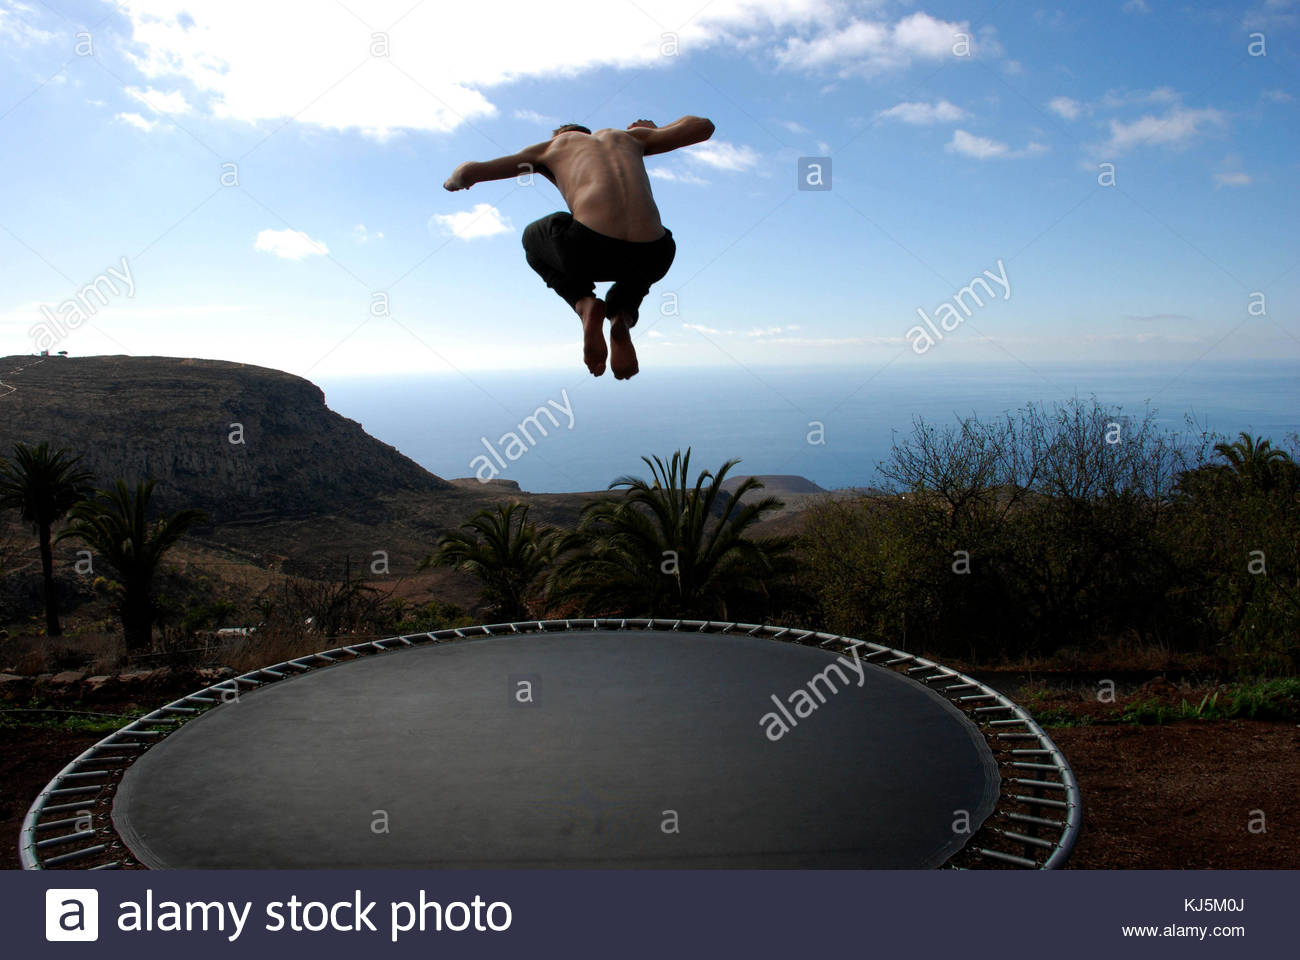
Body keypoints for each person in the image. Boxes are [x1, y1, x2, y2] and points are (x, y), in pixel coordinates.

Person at [443, 116, 715, 379]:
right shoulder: (629, 138)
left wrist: (454, 181)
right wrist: (657, 129)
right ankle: (621, 317)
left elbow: (469, 172)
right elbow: (703, 126)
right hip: (656, 253)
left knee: (535, 235)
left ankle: (584, 304)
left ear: (561, 135)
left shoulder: (553, 146)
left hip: (587, 250)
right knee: (637, 276)